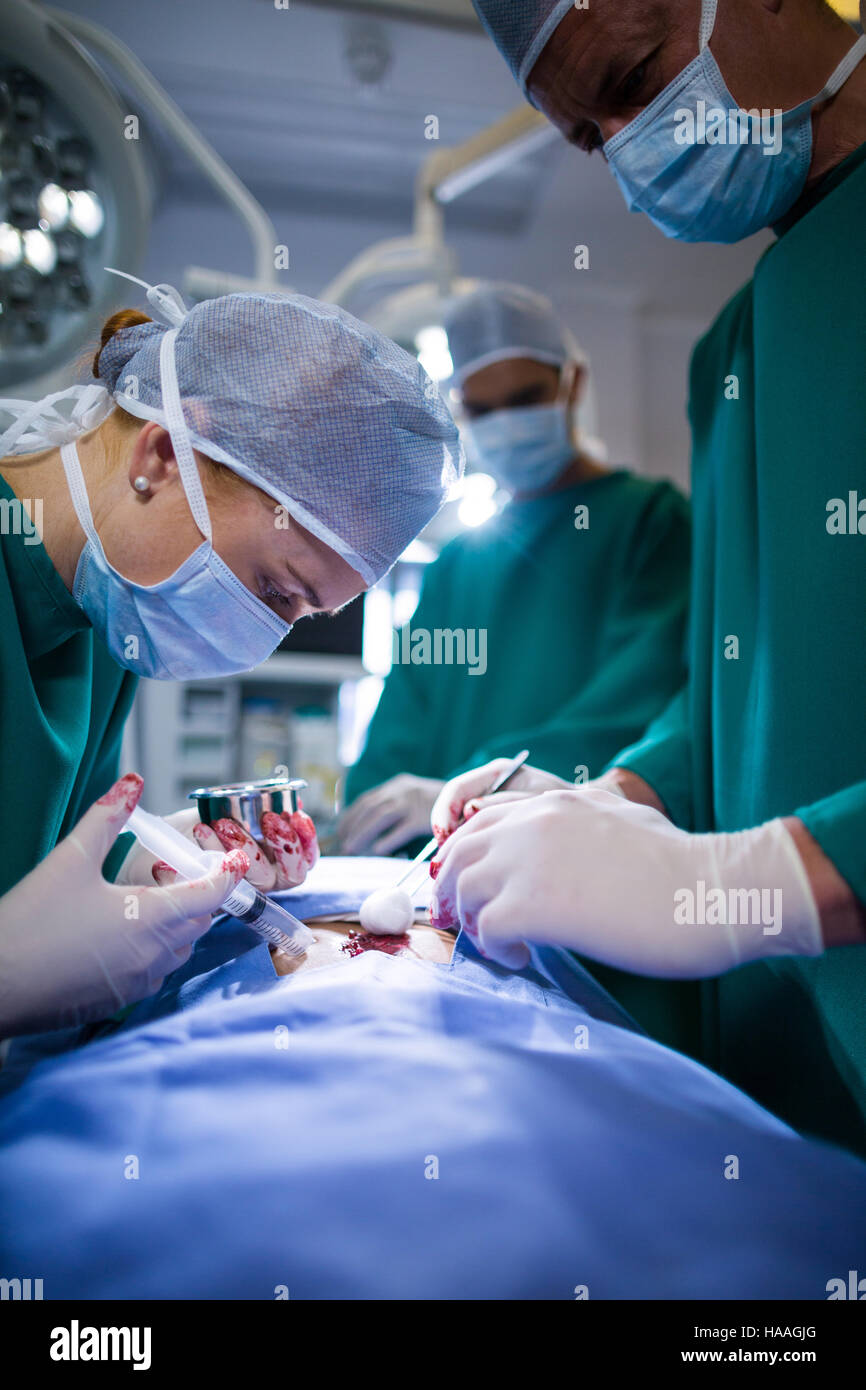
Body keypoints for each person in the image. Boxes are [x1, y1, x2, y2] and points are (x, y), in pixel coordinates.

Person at [431, 0, 866, 1157]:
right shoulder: (731, 349)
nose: (629, 148)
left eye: (630, 77)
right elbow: (742, 674)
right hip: (789, 1065)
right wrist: (618, 794)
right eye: (586, 136)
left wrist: (771, 880)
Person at [0, 275, 460, 1035]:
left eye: (303, 614)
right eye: (274, 587)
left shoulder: (103, 617)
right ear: (158, 457)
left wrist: (148, 864)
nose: (263, 635)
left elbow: (36, 868)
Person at [339, 283, 690, 867]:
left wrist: (485, 789)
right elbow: (404, 715)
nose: (505, 423)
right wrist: (368, 814)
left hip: (582, 862)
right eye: (482, 409)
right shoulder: (457, 564)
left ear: (572, 383)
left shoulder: (652, 522)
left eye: (526, 397)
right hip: (439, 866)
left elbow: (641, 701)